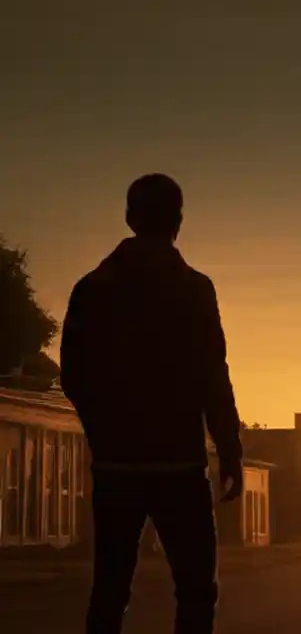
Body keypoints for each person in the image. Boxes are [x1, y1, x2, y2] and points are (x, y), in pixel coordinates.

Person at [60, 174, 243, 634]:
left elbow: (74, 376)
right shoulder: (194, 288)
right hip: (179, 466)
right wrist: (229, 447)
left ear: (128, 217)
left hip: (116, 466)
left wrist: (103, 433)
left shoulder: (92, 288)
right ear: (178, 221)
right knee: (196, 591)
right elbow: (212, 374)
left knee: (110, 590)